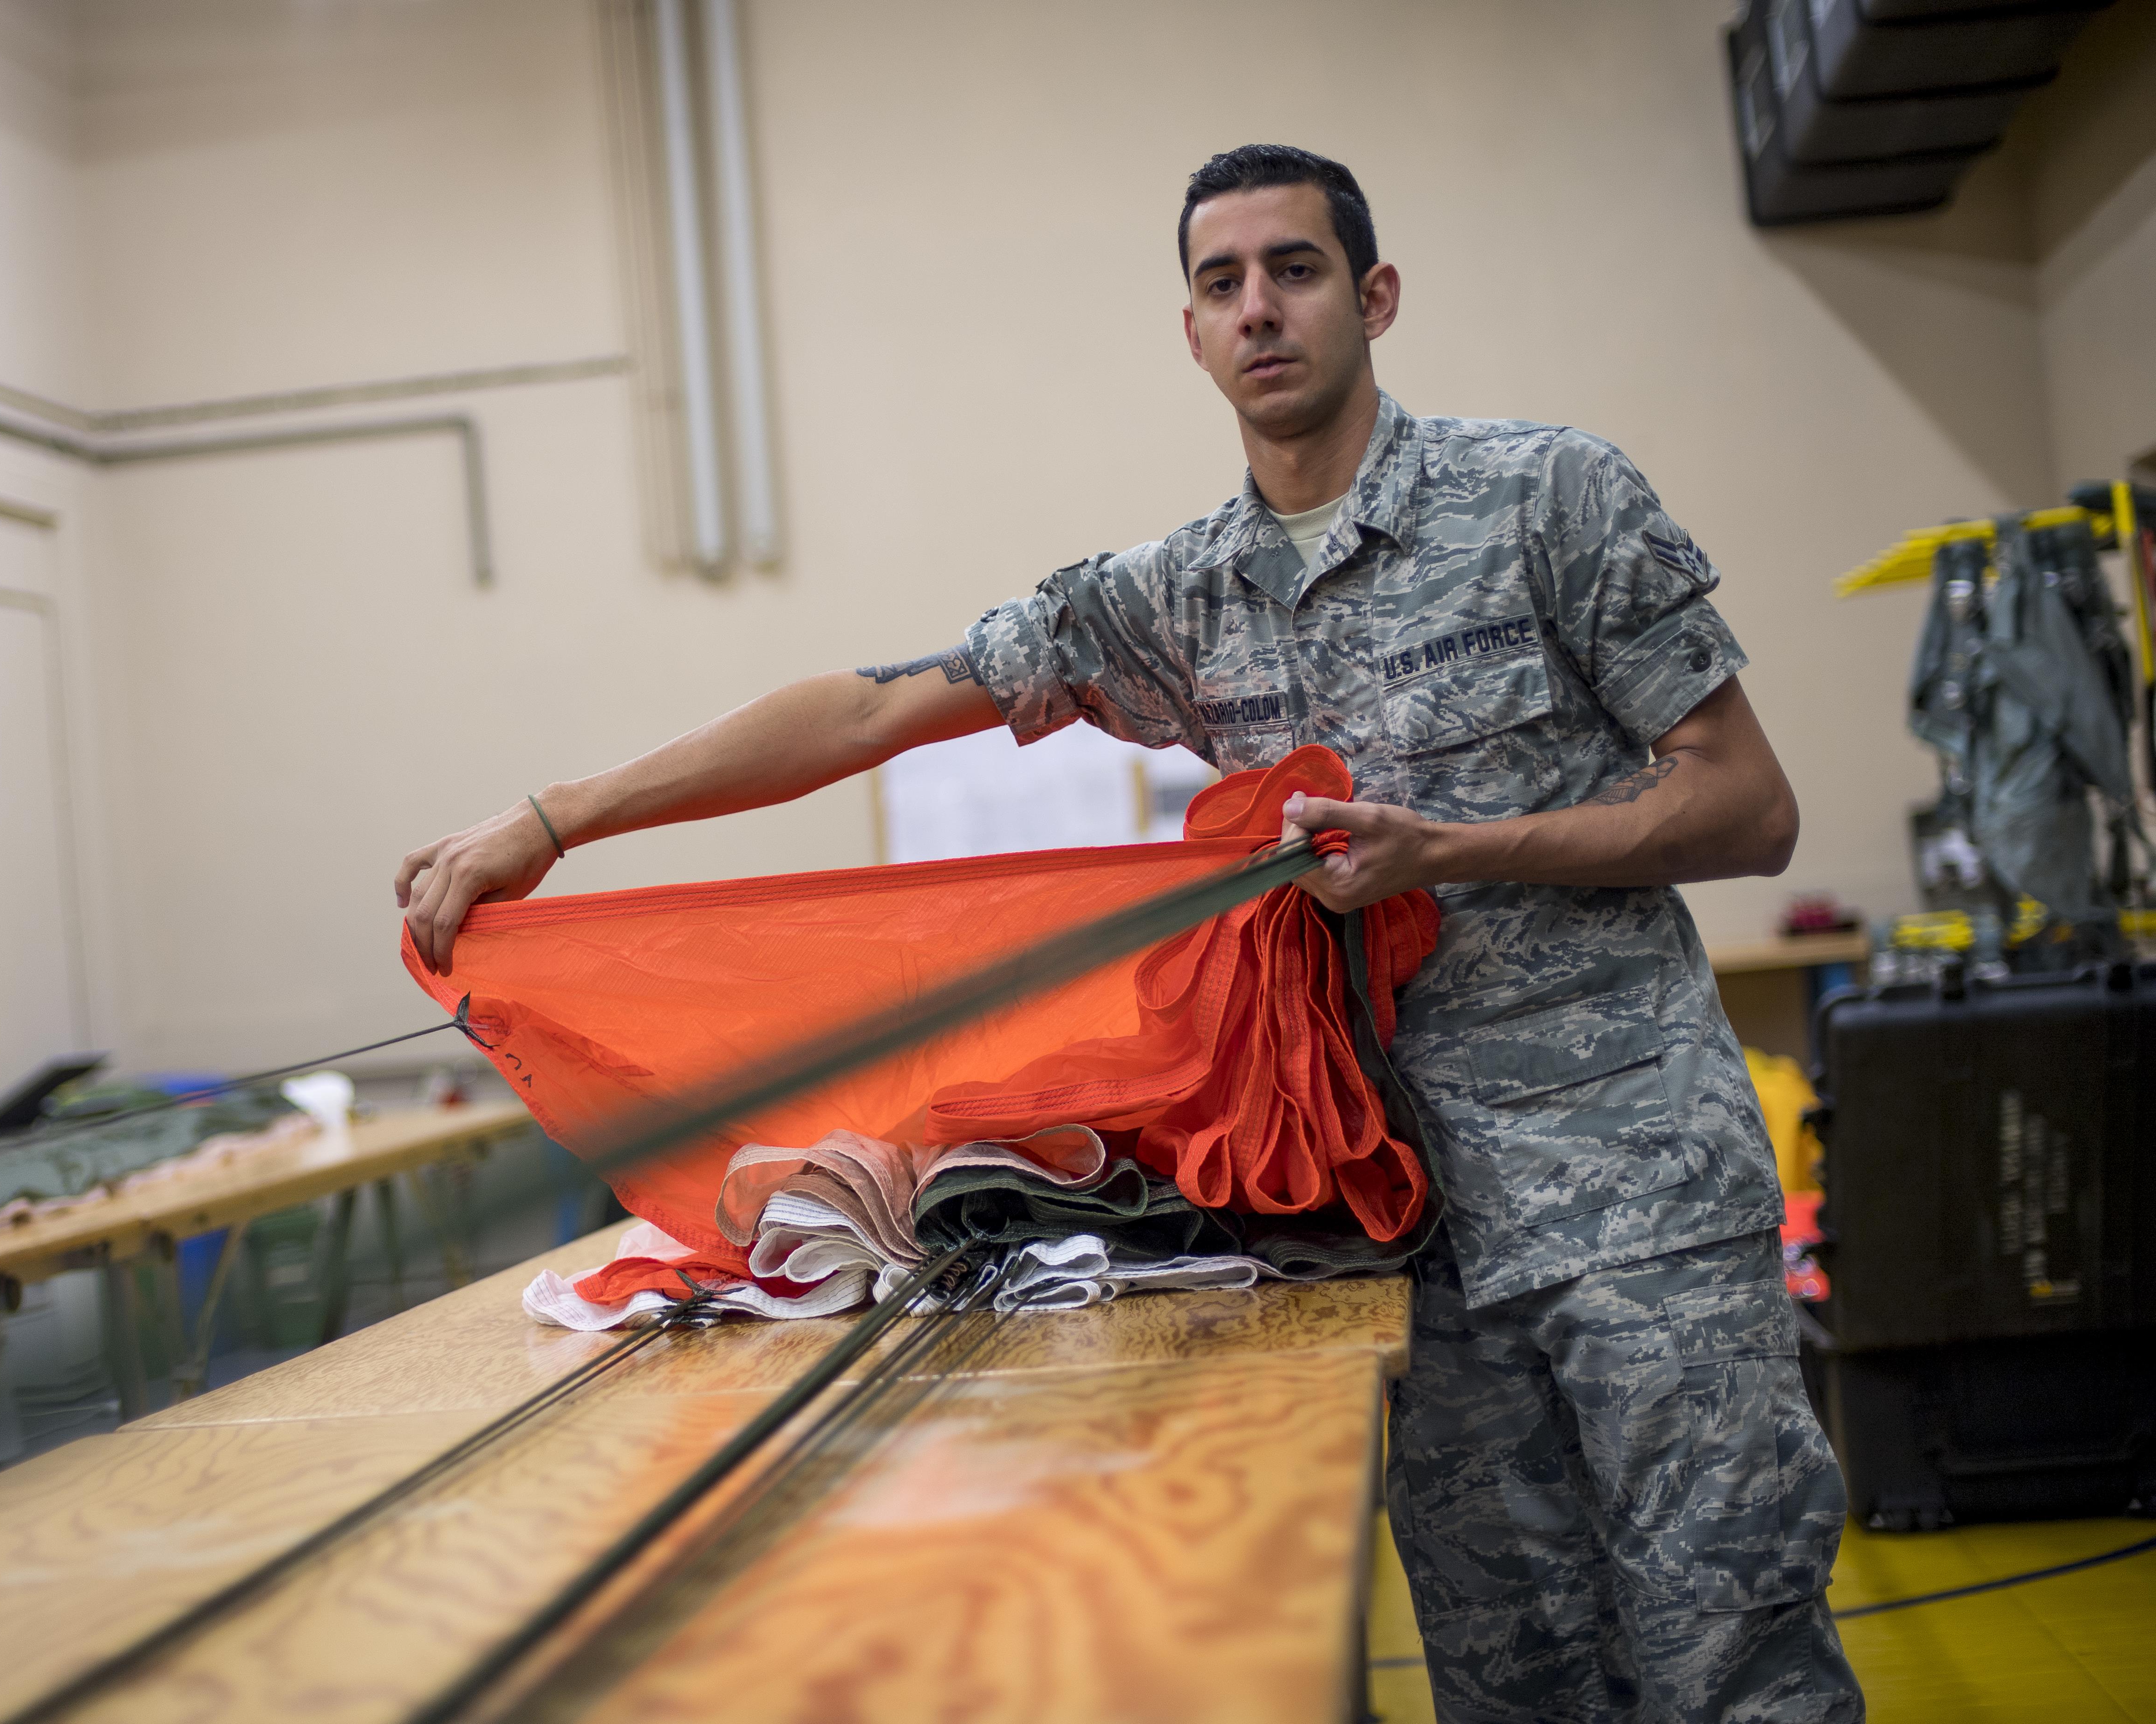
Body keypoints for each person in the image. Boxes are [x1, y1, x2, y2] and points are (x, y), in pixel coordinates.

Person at [394, 143, 1863, 1723]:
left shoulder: (1548, 498)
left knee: (1733, 1655)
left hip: (1635, 1191)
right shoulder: (1182, 598)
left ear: (1374, 297)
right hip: (1396, 1229)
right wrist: (557, 819)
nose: (1259, 309)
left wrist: (1449, 851)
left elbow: (1748, 808)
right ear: (1191, 332)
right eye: (1223, 283)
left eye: (1295, 270)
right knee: (1518, 1682)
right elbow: (874, 710)